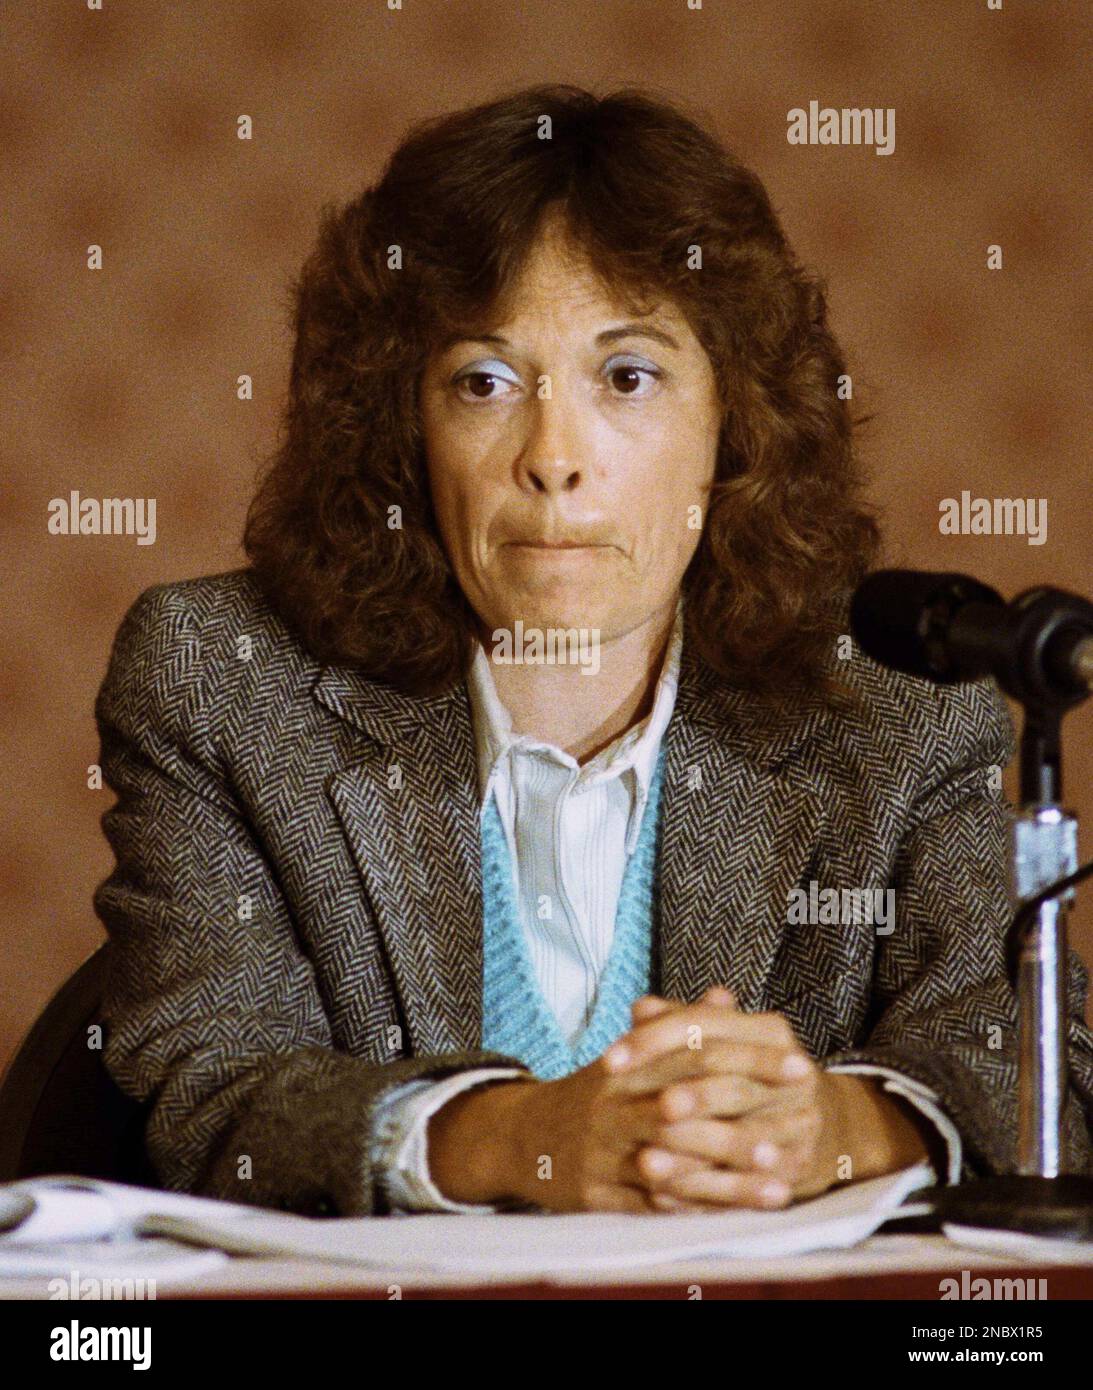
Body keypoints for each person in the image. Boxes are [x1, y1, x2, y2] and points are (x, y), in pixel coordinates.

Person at [92, 83, 1093, 1218]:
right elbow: (213, 1095)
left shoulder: (900, 708)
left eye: (627, 376)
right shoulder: (220, 677)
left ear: (732, 425)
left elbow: (1023, 1063)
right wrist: (527, 1139)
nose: (553, 458)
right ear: (403, 429)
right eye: (484, 382)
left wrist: (828, 1130)